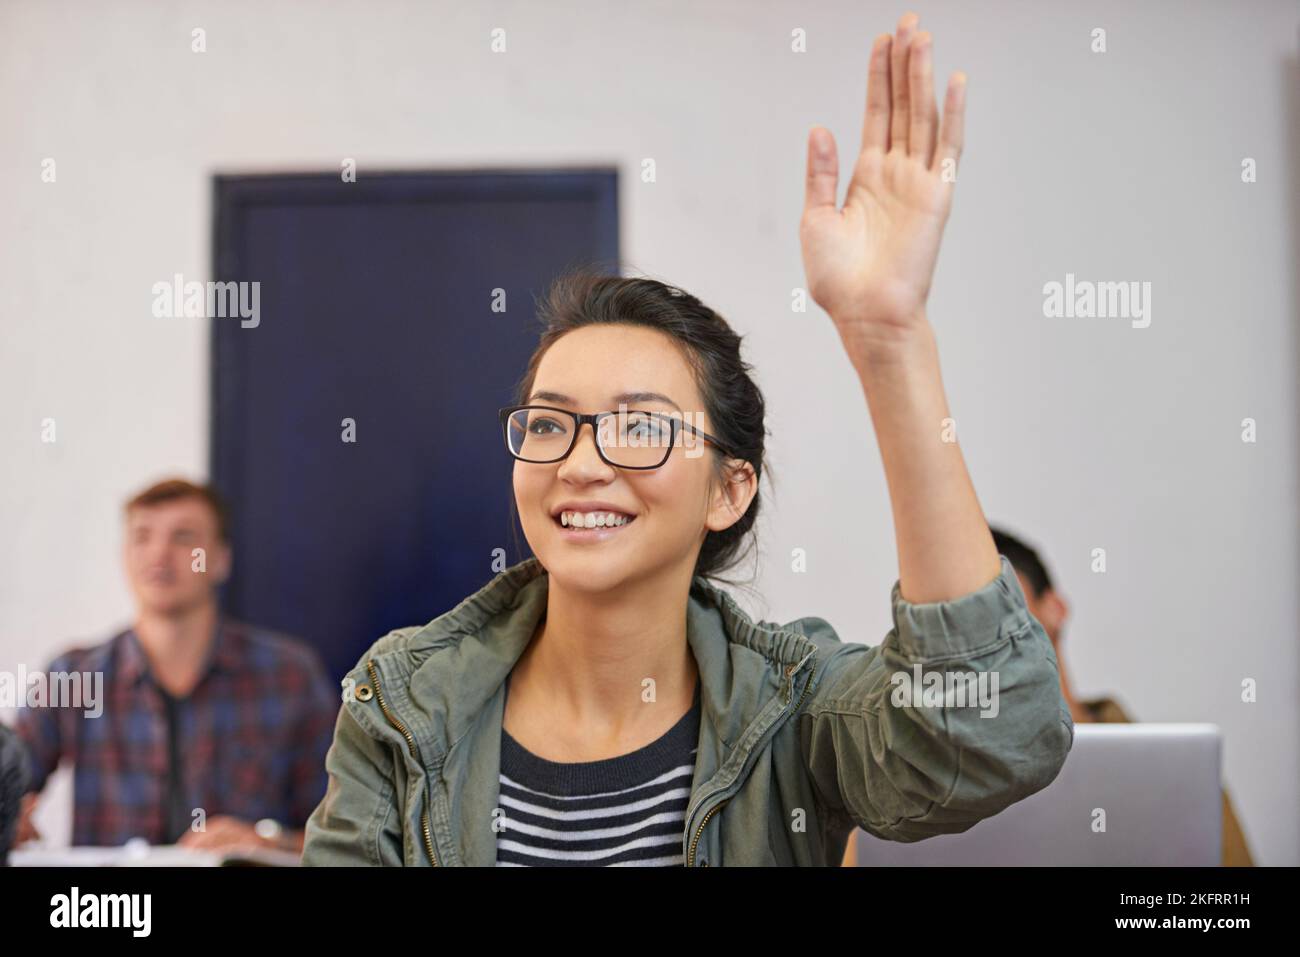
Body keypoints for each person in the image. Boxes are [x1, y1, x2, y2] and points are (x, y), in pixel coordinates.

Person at [303, 12, 1074, 867]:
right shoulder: (402, 700)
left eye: (639, 426)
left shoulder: (797, 708)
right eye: (552, 423)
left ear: (729, 487)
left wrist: (890, 339)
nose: (583, 462)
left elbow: (996, 729)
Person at [14, 478, 339, 855]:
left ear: (220, 559)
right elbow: (12, 782)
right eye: (142, 536)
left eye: (183, 538)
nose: (159, 554)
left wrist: (264, 843)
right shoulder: (73, 675)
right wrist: (10, 820)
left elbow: (344, 836)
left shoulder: (290, 676)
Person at [986, 526, 1255, 867]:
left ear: (1054, 607)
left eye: (993, 599)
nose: (974, 634)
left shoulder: (1175, 777)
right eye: (948, 619)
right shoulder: (931, 797)